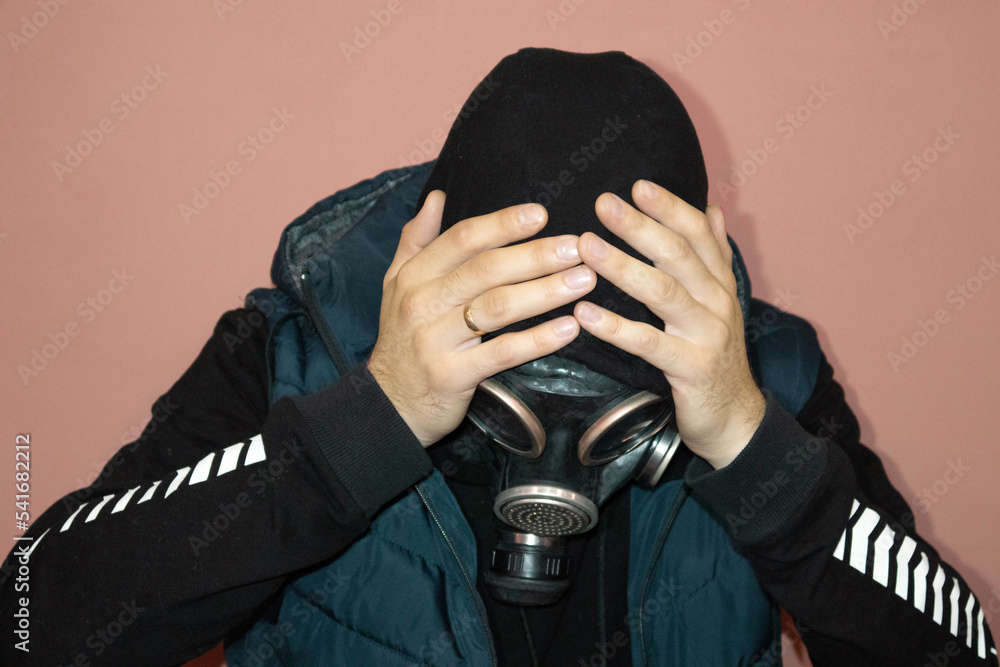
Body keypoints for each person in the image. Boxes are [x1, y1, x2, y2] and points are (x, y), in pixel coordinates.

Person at [1, 47, 995, 667]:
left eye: (613, 399)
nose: (560, 450)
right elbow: (31, 619)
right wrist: (365, 427)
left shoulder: (762, 380)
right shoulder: (295, 358)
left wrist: (751, 450)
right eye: (517, 373)